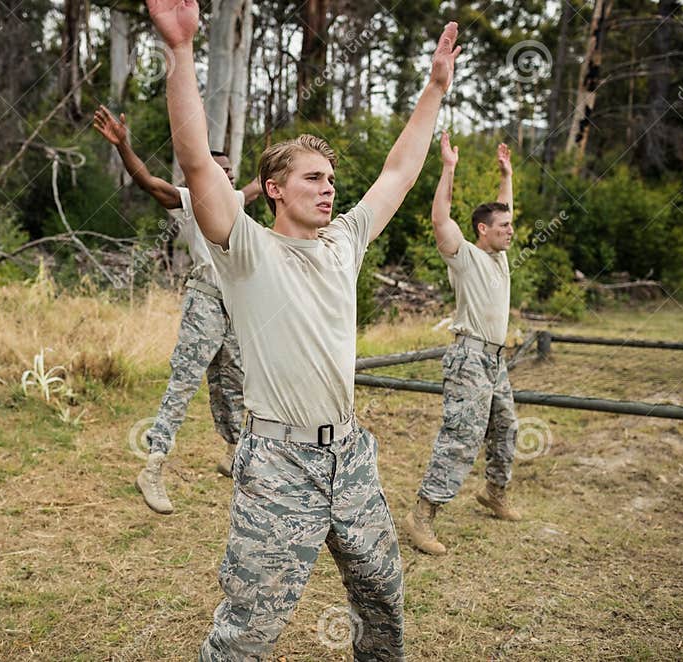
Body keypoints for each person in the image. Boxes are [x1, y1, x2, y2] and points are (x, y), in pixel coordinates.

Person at [145, 0, 460, 658]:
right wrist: (180, 54)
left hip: (350, 456)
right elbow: (197, 163)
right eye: (313, 179)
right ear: (275, 189)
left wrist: (432, 90)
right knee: (248, 628)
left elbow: (399, 172)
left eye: (333, 180)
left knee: (383, 600)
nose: (329, 190)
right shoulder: (246, 251)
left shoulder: (345, 240)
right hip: (279, 467)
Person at [93, 105, 261, 514]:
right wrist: (123, 147)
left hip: (234, 307)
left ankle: (233, 452)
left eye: (231, 174)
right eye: (219, 172)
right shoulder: (191, 201)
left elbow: (263, 184)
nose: (228, 178)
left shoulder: (236, 201)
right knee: (184, 384)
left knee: (234, 384)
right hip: (204, 301)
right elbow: (148, 182)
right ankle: (153, 468)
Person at [406, 134, 521, 557]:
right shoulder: (466, 256)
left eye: (510, 225)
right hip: (469, 357)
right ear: (481, 231)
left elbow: (502, 210)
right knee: (461, 437)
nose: (511, 230)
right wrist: (448, 167)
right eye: (504, 227)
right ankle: (422, 516)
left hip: (495, 360)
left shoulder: (500, 256)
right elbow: (440, 218)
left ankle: (494, 492)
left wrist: (506, 176)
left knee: (507, 427)